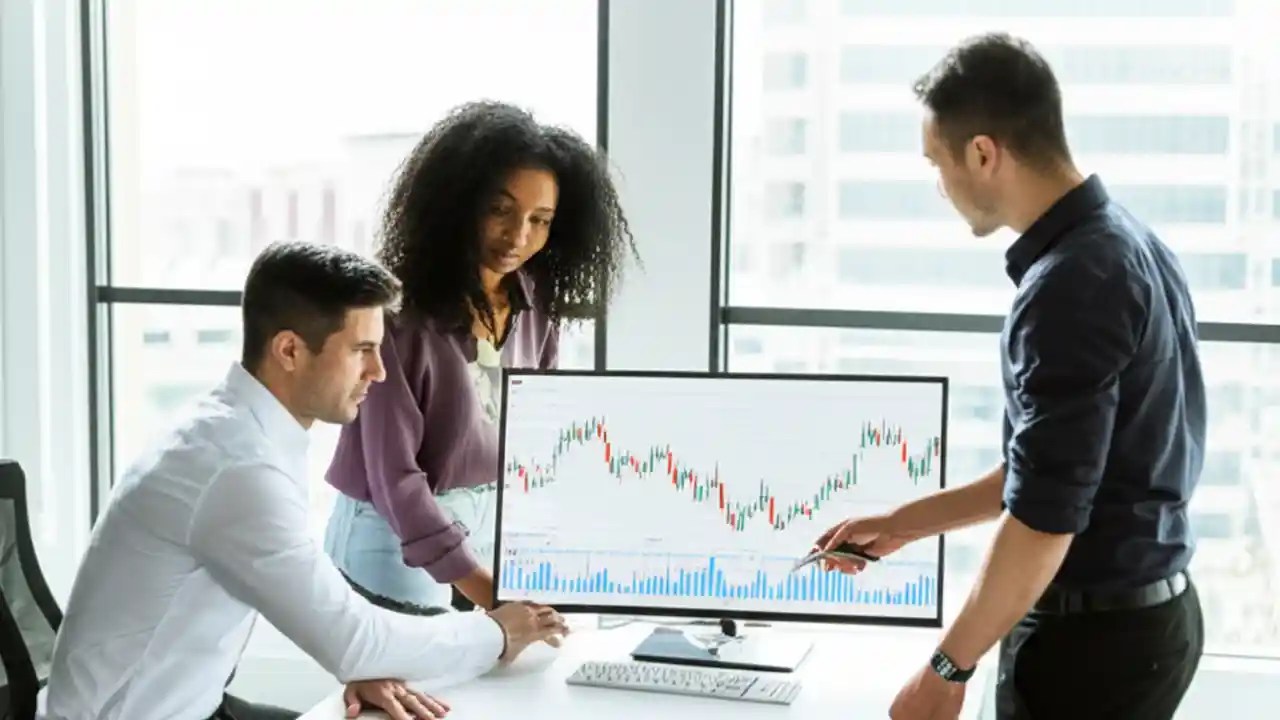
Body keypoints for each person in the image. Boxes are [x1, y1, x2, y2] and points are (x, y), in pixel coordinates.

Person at [813, 33, 1205, 720]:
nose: (941, 185)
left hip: (1090, 649)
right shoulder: (1131, 243)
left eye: (938, 162)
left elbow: (1046, 518)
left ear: (983, 152)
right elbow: (1052, 471)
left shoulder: (1071, 284)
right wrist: (903, 523)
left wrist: (944, 670)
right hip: (1149, 624)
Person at [38, 242, 568, 720]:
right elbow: (350, 636)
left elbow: (314, 601)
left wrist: (366, 657)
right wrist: (498, 631)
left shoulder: (238, 430)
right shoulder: (236, 468)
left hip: (189, 703)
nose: (379, 373)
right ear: (289, 350)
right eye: (362, 350)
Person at [323, 100, 635, 611]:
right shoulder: (397, 316)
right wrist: (487, 592)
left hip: (485, 532)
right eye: (500, 210)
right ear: (458, 202)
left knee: (496, 687)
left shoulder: (535, 307)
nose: (518, 236)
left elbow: (533, 447)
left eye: (540, 219)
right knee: (407, 689)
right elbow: (394, 478)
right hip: (391, 536)